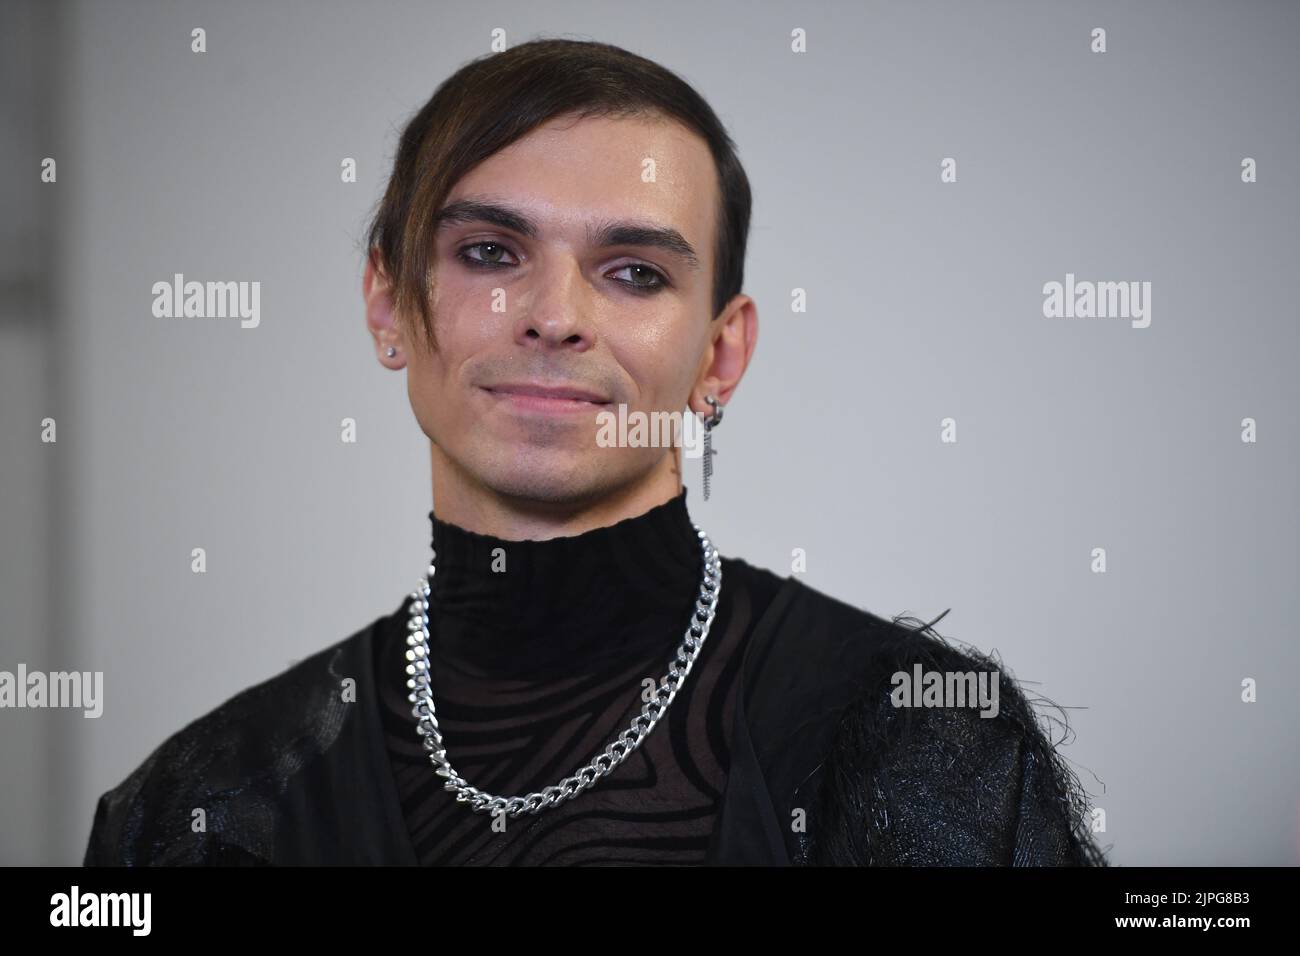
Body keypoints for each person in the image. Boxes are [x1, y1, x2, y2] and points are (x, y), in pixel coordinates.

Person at [83, 37, 1107, 867]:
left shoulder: (912, 739)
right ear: (387, 302)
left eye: (633, 271)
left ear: (721, 350)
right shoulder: (204, 802)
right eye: (489, 252)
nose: (554, 316)